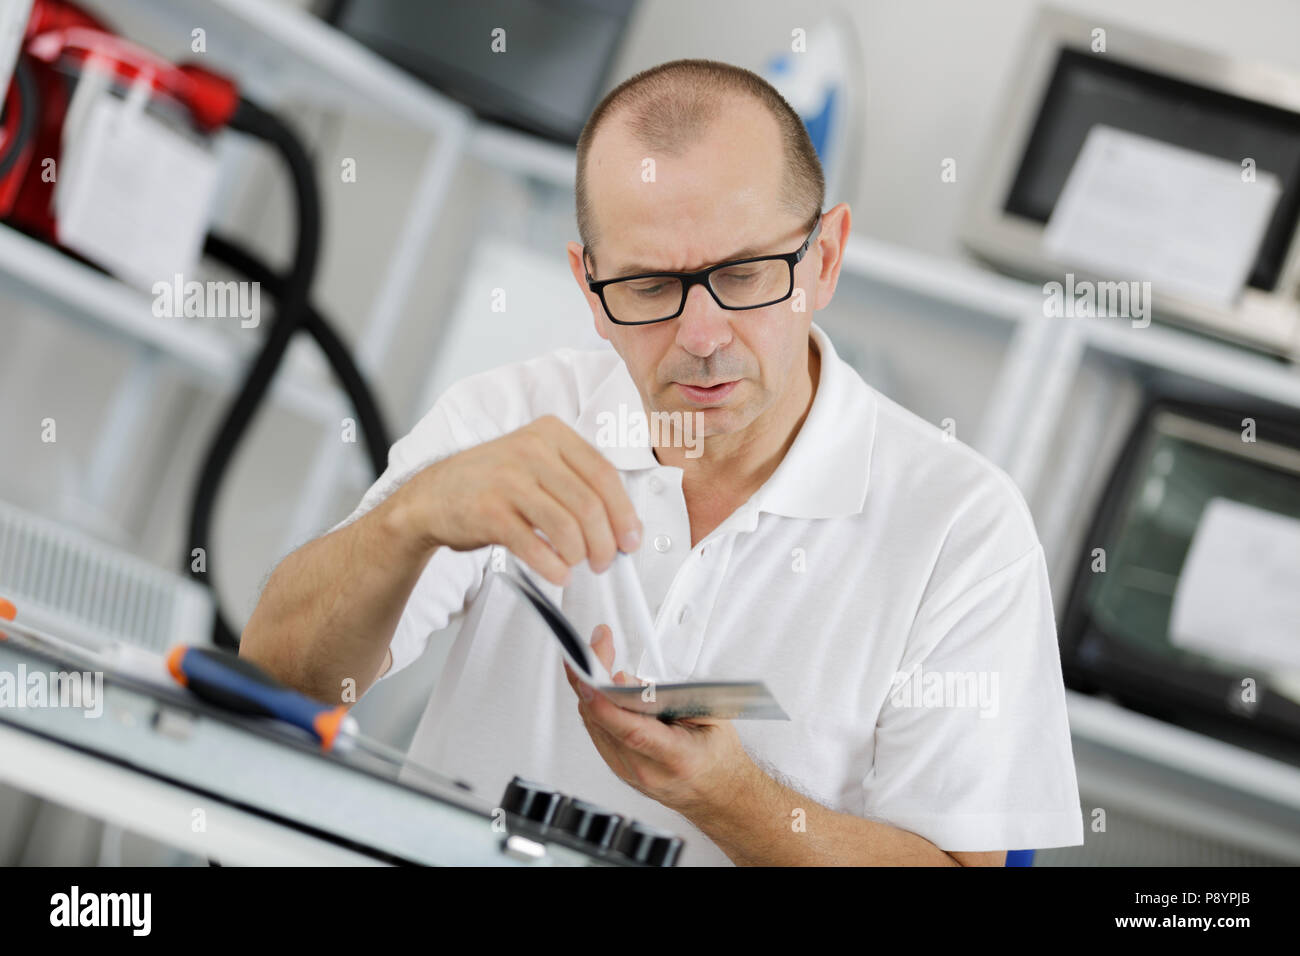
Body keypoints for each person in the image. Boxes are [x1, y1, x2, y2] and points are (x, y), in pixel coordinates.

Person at [241, 58, 1083, 866]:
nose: (703, 337)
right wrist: (408, 521)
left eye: (746, 274)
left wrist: (728, 796)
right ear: (589, 285)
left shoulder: (963, 531)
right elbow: (281, 680)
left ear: (824, 259)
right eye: (648, 287)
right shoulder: (510, 418)